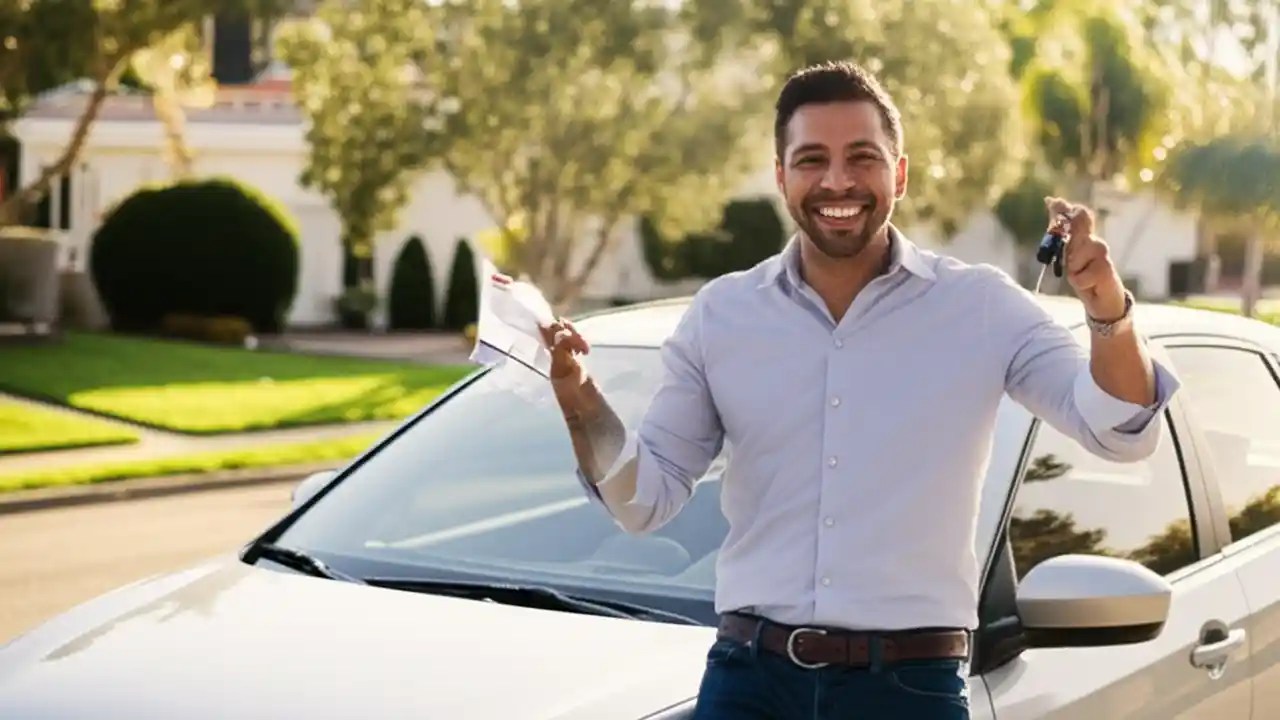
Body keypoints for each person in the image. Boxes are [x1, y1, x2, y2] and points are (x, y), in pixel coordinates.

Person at [528, 60, 1179, 719]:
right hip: (748, 684)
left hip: (908, 690)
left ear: (899, 173)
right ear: (781, 177)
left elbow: (1120, 429)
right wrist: (579, 395)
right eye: (811, 160)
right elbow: (646, 500)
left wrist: (1107, 310)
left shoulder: (980, 306)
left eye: (861, 157)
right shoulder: (721, 315)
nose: (837, 181)